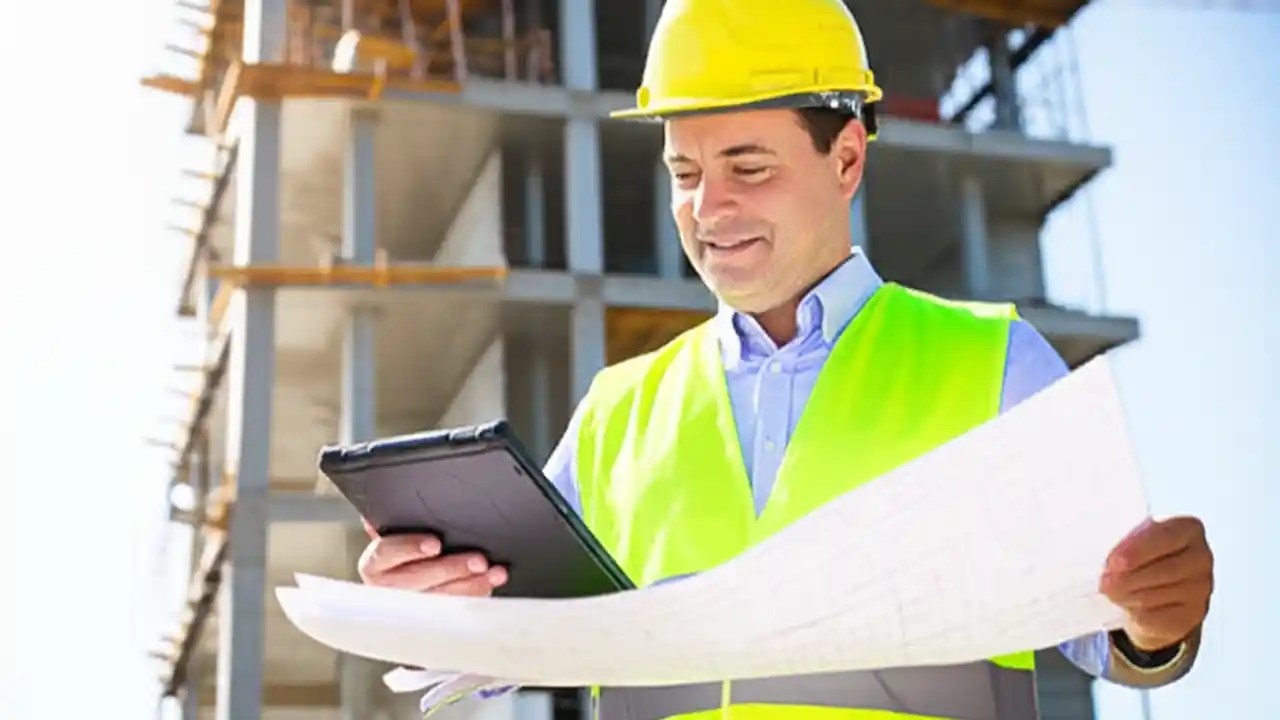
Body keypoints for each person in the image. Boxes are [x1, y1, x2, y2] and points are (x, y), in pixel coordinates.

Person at [358, 0, 1215, 716]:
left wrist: (1159, 619)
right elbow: (512, 631)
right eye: (684, 171)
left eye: (748, 167)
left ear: (845, 158)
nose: (708, 207)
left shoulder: (990, 362)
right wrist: (428, 600)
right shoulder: (618, 411)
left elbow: (1116, 628)